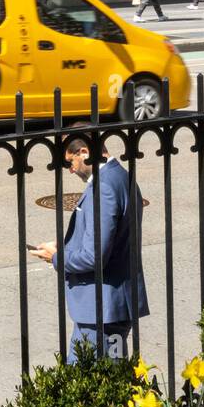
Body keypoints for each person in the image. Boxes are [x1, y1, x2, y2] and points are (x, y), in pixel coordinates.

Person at [29, 135, 149, 363]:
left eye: (69, 163)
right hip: (110, 307)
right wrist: (66, 246)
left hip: (102, 312)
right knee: (112, 378)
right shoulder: (121, 176)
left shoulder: (103, 187)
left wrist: (56, 257)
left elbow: (94, 256)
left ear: (84, 152)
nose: (71, 171)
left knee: (86, 384)